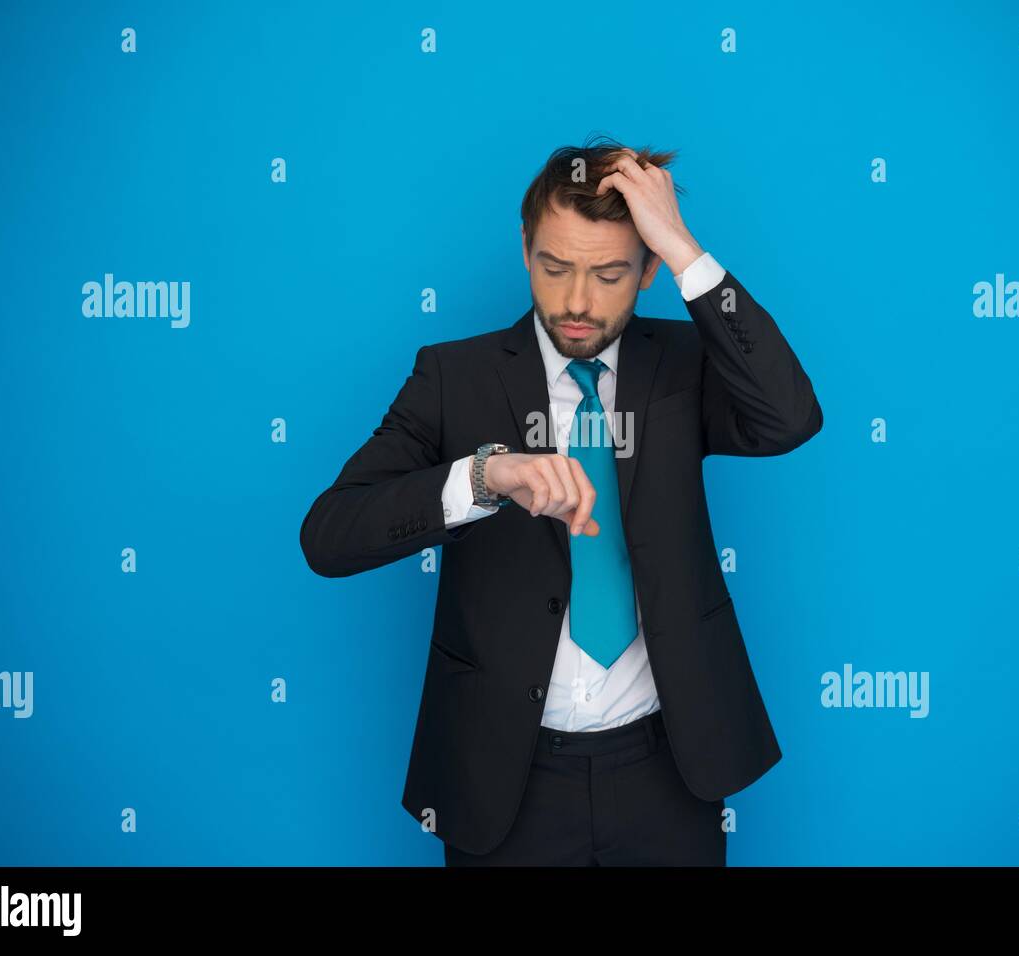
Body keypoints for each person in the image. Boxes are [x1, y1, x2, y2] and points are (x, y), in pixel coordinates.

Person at [299, 135, 823, 865]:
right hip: (504, 782)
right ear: (524, 248)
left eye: (610, 273)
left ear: (646, 273)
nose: (576, 302)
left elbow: (790, 416)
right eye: (554, 267)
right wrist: (483, 479)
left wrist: (682, 247)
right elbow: (329, 535)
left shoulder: (683, 367)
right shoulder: (454, 378)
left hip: (669, 771)